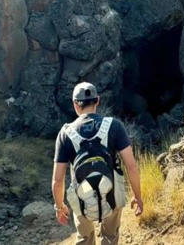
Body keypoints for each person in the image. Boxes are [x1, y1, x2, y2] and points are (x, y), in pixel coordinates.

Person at [51, 82, 143, 245]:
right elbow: (131, 166)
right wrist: (138, 196)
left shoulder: (65, 134)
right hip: (111, 190)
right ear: (98, 101)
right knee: (110, 236)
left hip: (82, 193)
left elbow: (57, 181)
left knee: (84, 239)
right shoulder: (114, 126)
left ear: (75, 104)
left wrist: (60, 207)